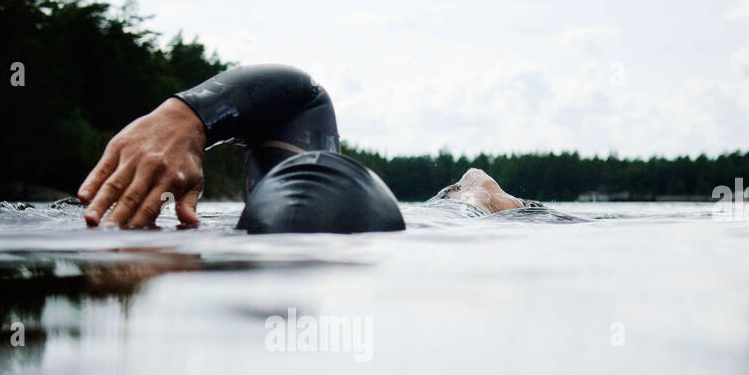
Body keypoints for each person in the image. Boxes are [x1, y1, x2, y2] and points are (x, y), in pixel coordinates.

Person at [76, 64, 535, 232]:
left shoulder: (309, 213)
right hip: (365, 217)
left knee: (463, 202)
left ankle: (475, 194)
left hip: (343, 208)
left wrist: (185, 118)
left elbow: (303, 95)